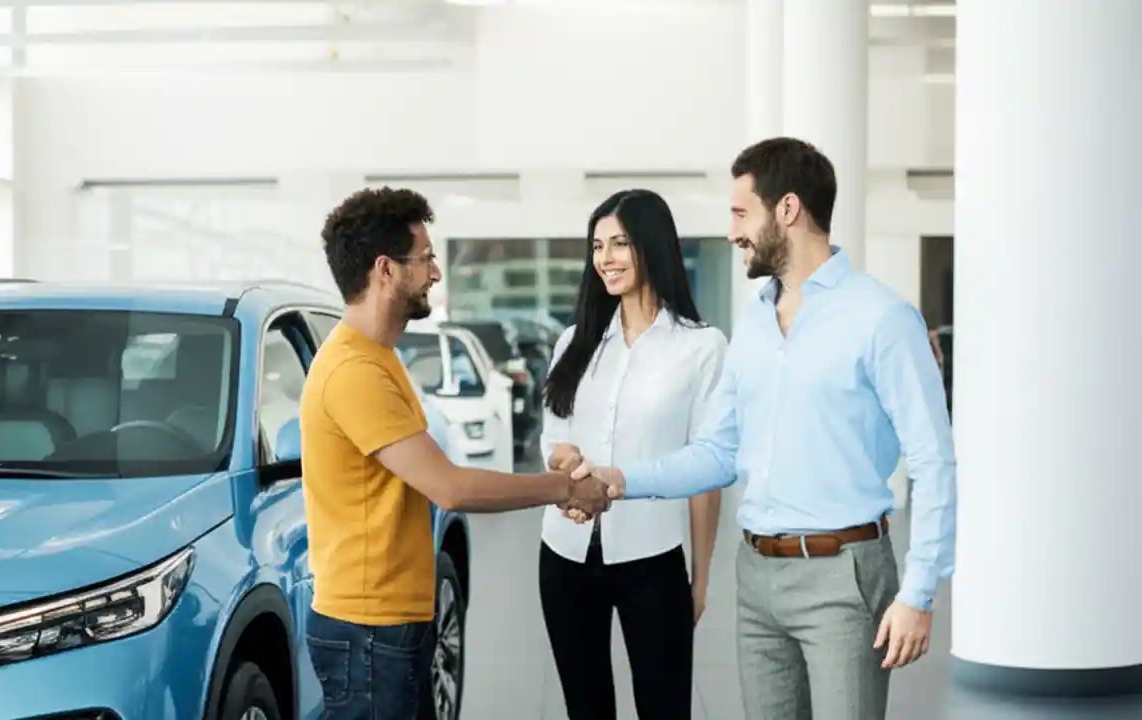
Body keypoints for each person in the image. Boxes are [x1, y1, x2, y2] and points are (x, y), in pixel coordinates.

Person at [575, 138, 957, 720]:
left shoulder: (881, 318)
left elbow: (933, 460)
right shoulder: (754, 320)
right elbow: (719, 451)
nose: (732, 232)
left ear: (787, 209)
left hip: (843, 578)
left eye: (740, 213)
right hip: (756, 578)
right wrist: (619, 479)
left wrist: (919, 592)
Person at [300, 187, 610, 719]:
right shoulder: (354, 371)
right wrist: (564, 487)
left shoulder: (378, 357)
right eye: (425, 259)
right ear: (386, 270)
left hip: (386, 623)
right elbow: (451, 487)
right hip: (370, 629)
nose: (436, 274)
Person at [538, 189, 727, 720]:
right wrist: (565, 463)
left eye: (619, 243)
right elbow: (553, 434)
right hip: (565, 554)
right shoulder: (575, 342)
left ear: (652, 245)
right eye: (598, 246)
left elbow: (706, 467)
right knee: (586, 708)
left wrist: (700, 577)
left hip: (652, 558)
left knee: (665, 708)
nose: (605, 258)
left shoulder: (701, 347)